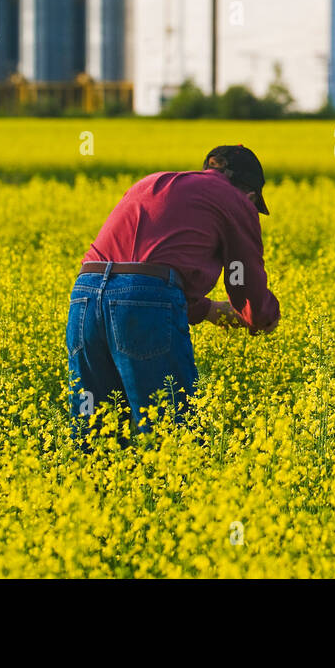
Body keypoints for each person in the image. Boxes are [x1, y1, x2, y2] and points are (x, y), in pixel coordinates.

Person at [66, 144, 280, 444]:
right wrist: (260, 316)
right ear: (251, 195)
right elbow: (241, 272)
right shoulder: (234, 200)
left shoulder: (152, 183)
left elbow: (139, 267)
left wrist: (207, 311)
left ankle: (89, 489)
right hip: (144, 305)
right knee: (172, 432)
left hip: (84, 298)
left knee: (97, 434)